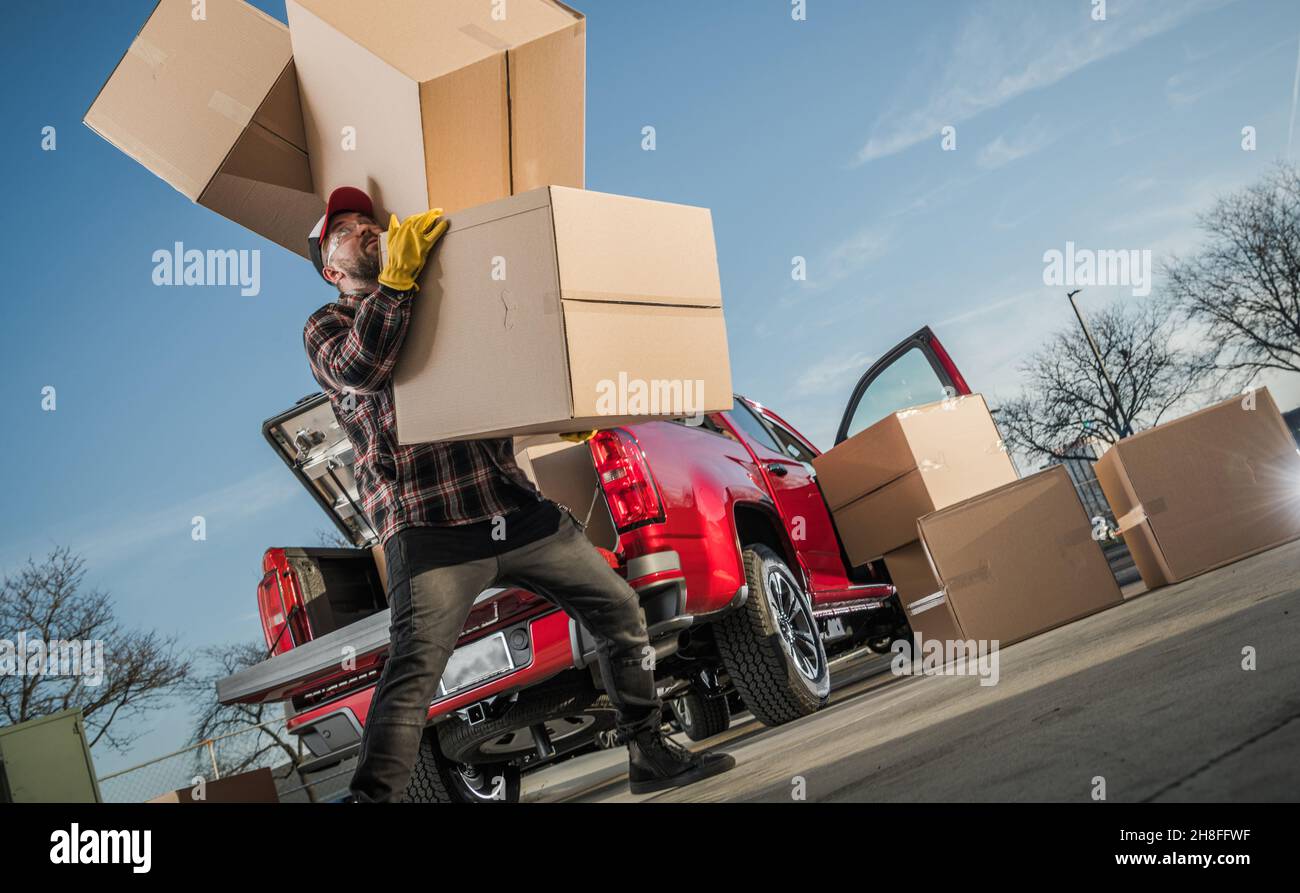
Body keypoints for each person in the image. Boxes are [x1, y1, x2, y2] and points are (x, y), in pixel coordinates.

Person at [302, 186, 735, 801]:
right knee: (414, 671)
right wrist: (396, 286)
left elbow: (508, 366)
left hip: (510, 504)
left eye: (369, 220)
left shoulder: (442, 299)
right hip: (429, 526)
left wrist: (561, 407)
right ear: (332, 267)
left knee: (619, 610)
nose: (365, 228)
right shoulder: (328, 325)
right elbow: (362, 370)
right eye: (346, 228)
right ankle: (371, 801)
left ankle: (649, 751)